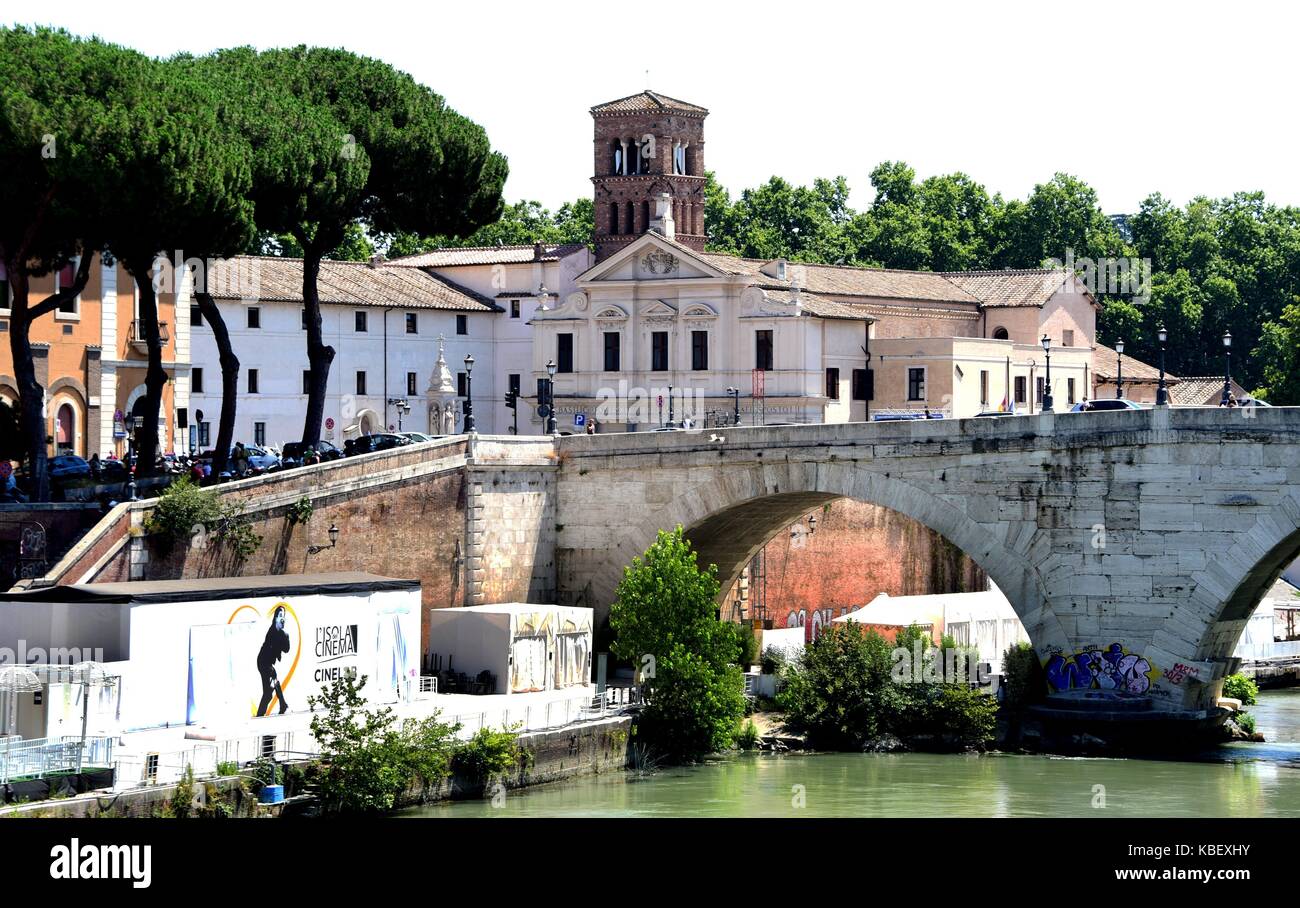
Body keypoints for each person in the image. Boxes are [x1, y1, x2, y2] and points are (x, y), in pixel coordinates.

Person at [256, 605, 292, 717]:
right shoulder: (272, 632)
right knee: (269, 691)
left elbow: (286, 649)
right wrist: (284, 635)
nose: (282, 618)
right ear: (275, 617)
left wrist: (286, 636)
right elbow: (277, 645)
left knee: (271, 689)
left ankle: (282, 704)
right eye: (280, 616)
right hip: (263, 662)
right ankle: (280, 705)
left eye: (284, 616)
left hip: (267, 663)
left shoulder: (281, 633)